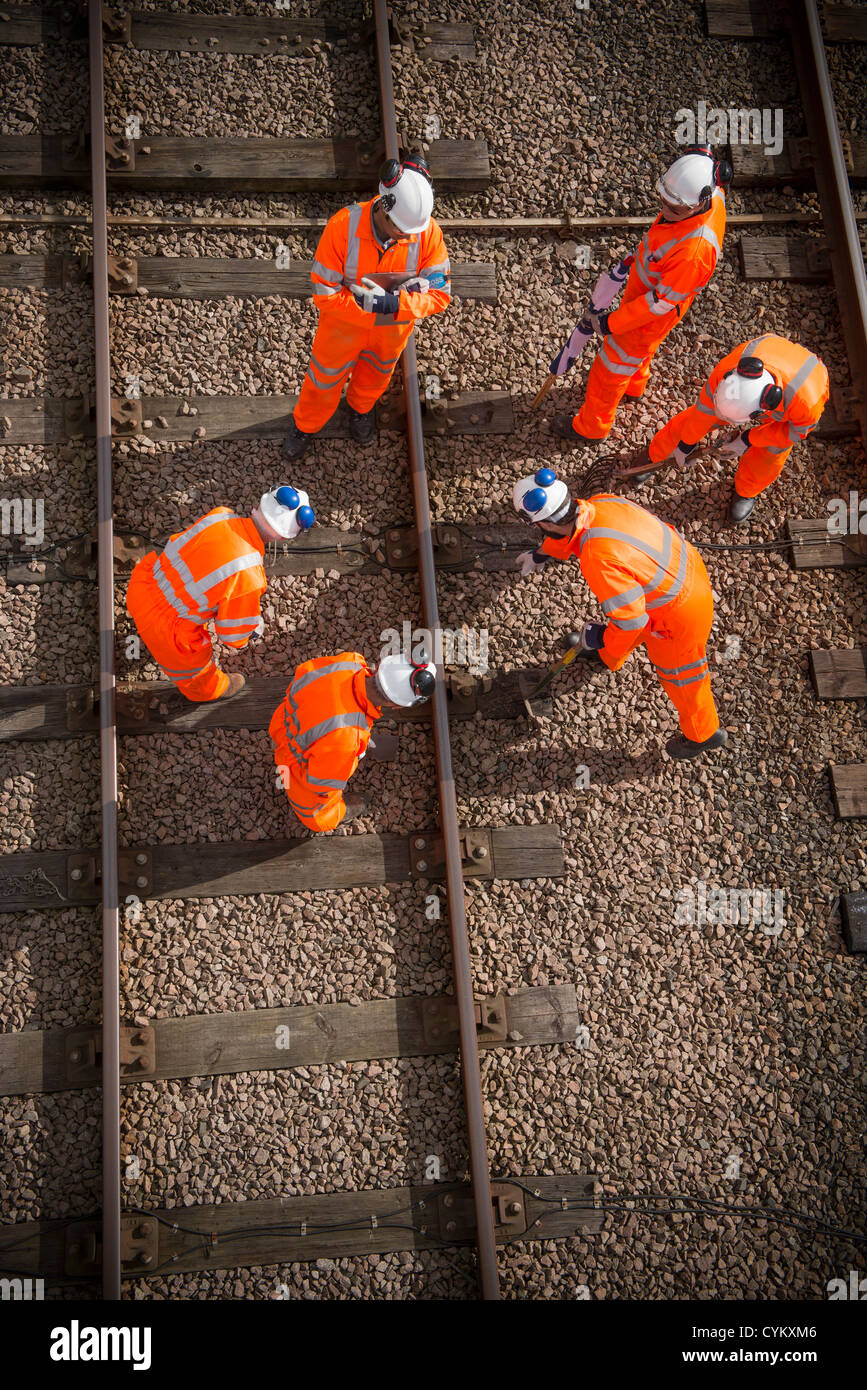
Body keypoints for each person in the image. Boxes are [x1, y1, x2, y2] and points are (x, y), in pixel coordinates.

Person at [513, 468, 727, 760]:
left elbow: (631, 620)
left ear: (543, 525)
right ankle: (607, 656)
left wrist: (601, 635)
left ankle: (704, 734)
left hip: (681, 614)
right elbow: (569, 535)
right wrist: (542, 554)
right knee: (626, 617)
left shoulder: (598, 559)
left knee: (682, 676)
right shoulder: (600, 503)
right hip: (683, 569)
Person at [553, 145, 729, 446]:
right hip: (656, 297)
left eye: (674, 209)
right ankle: (634, 388)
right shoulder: (708, 196)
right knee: (639, 355)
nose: (665, 211)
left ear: (700, 202)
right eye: (663, 202)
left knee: (609, 370)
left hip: (649, 312)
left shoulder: (695, 252)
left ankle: (591, 427)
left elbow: (658, 303)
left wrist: (610, 323)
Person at [283, 153, 451, 459]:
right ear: (384, 209)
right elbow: (323, 292)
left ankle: (360, 410)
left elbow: (440, 293)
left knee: (376, 375)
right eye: (403, 231)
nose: (410, 238)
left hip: (391, 330)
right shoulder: (342, 227)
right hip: (342, 328)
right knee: (322, 380)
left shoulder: (427, 233)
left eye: (414, 232)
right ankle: (305, 426)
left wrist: (394, 304)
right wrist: (368, 307)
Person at [126, 486, 314, 702]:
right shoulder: (249, 575)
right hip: (169, 635)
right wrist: (254, 629)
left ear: (257, 507)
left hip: (141, 587)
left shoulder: (220, 514)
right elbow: (233, 636)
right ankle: (212, 690)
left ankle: (142, 630)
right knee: (199, 679)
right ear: (282, 538)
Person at [631, 334, 829, 523]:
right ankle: (656, 455)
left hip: (803, 385)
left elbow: (789, 434)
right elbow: (703, 413)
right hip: (772, 352)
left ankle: (747, 491)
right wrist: (685, 445)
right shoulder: (727, 370)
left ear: (766, 407)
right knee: (689, 422)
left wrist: (747, 439)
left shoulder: (807, 406)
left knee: (773, 450)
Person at [270, 650, 436, 830]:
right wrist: (352, 753)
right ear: (396, 705)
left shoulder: (351, 660)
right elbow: (319, 785)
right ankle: (333, 813)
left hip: (282, 723)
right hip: (293, 764)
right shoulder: (347, 740)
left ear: (380, 667)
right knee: (320, 820)